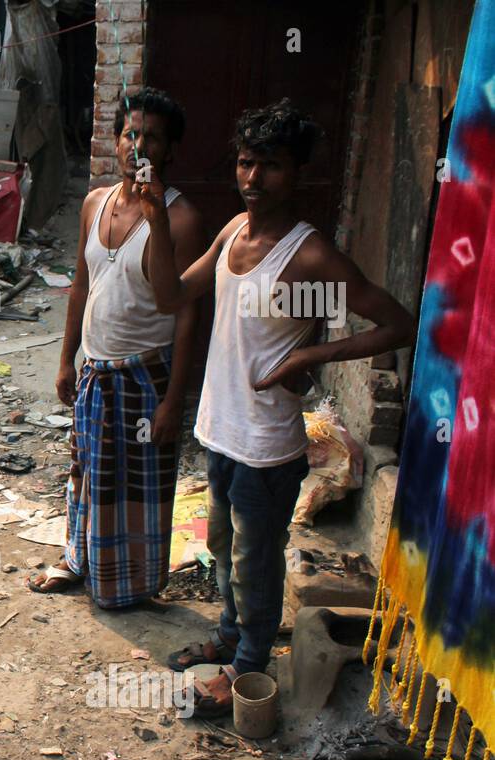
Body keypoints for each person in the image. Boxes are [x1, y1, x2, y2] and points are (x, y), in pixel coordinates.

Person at [138, 100, 415, 715]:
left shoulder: (309, 257)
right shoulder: (233, 231)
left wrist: (305, 359)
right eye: (244, 163)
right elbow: (169, 295)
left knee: (255, 562)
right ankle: (232, 639)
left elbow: (397, 324)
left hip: (268, 446)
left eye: (271, 166)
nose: (253, 178)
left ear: (299, 175)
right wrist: (156, 218)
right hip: (220, 430)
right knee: (221, 545)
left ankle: (246, 671)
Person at [27, 87, 205, 608]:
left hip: (145, 375)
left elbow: (189, 312)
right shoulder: (93, 203)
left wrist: (175, 399)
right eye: (130, 133)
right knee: (86, 474)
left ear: (169, 150)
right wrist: (67, 360)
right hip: (95, 372)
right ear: (115, 141)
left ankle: (129, 586)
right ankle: (79, 561)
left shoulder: (182, 218)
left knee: (138, 489)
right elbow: (81, 285)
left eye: (152, 137)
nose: (139, 145)